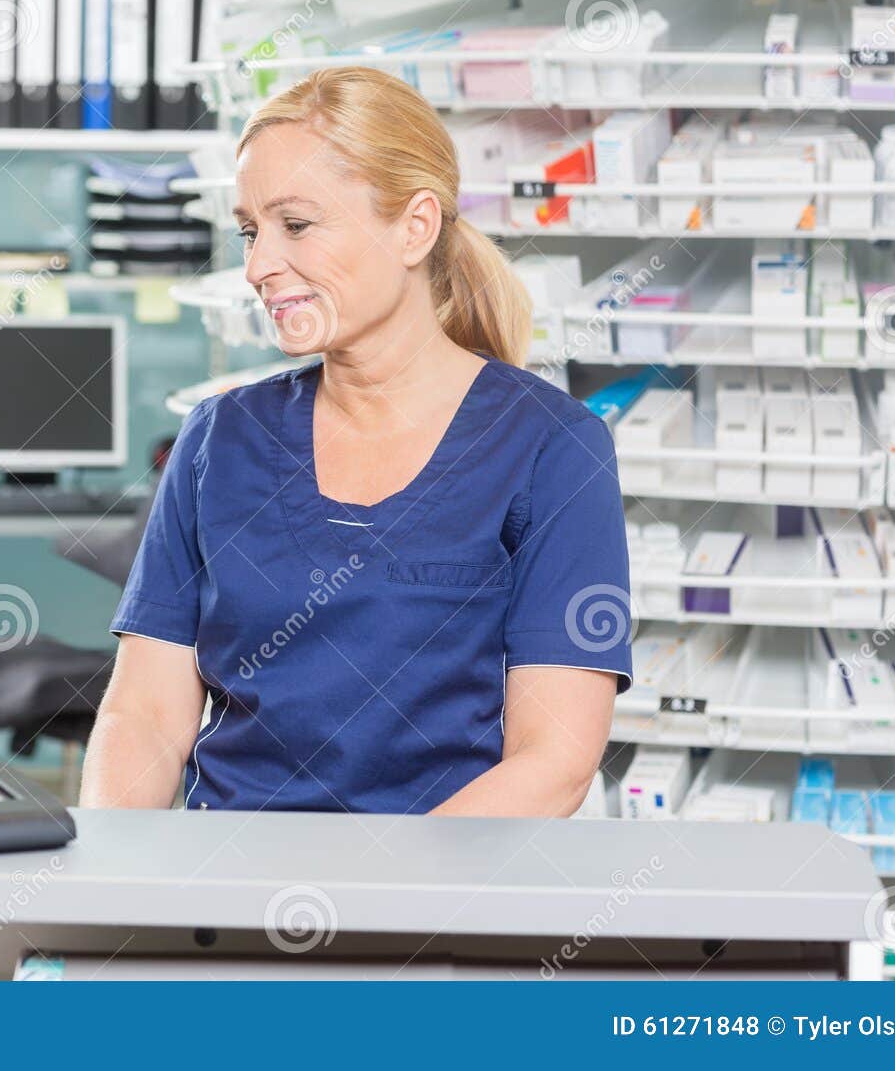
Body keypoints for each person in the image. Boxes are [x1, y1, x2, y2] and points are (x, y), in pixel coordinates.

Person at [79, 66, 632, 816]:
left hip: (433, 905)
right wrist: (120, 884)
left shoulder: (552, 447)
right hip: (224, 898)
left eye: (295, 225)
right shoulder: (220, 439)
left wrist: (373, 909)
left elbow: (555, 761)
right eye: (249, 231)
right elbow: (143, 715)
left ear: (415, 227)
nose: (257, 265)